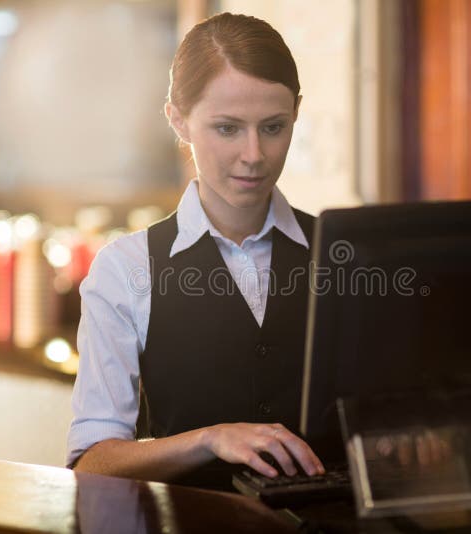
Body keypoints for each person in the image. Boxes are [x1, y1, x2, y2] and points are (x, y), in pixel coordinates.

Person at [67, 12, 325, 490]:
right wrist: (208, 439)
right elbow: (91, 463)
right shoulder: (124, 269)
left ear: (296, 114)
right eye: (227, 129)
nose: (254, 154)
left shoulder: (342, 256)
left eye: (273, 127)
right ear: (179, 120)